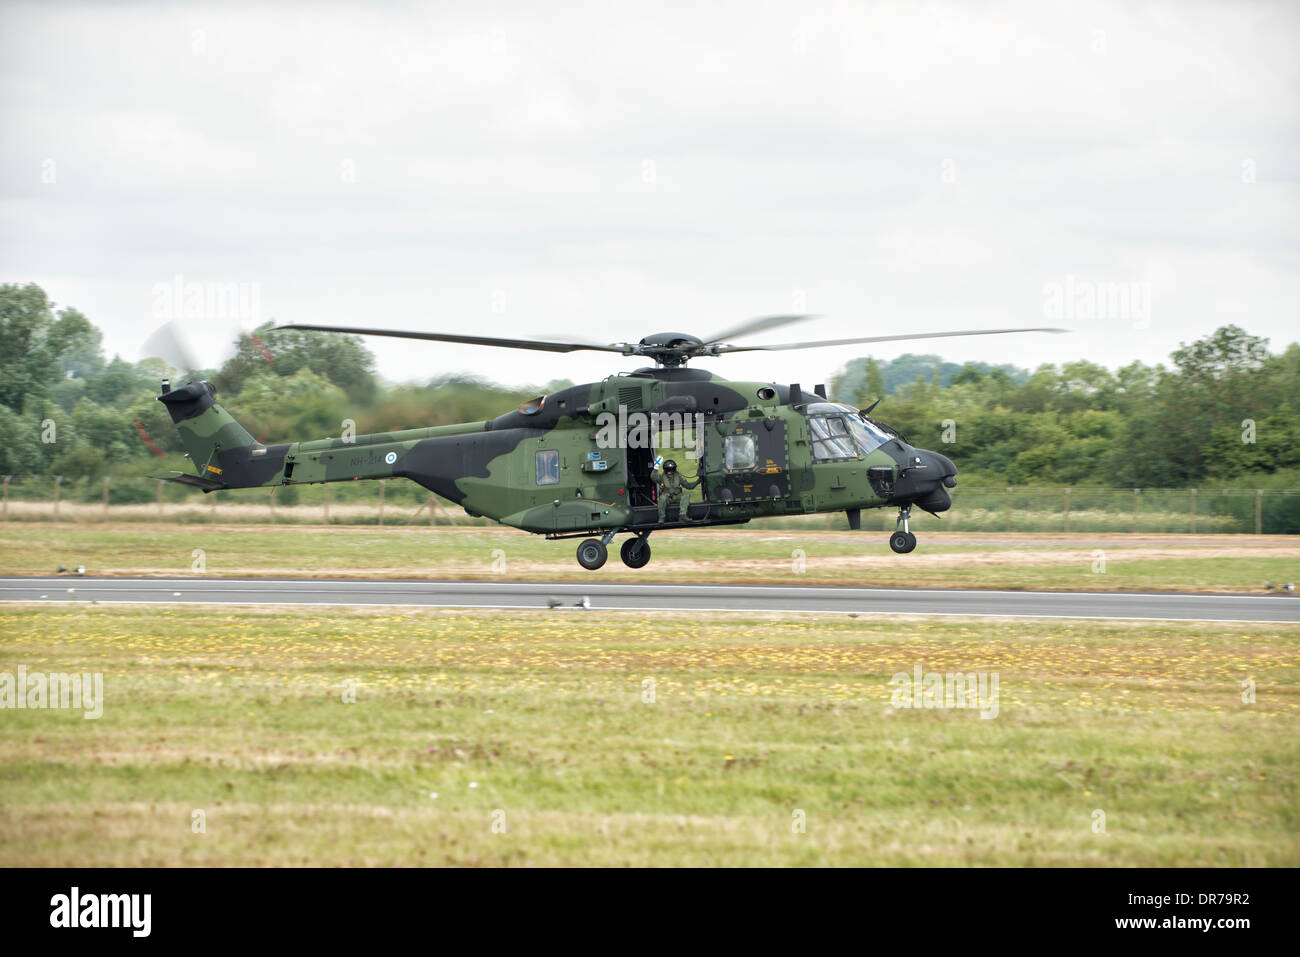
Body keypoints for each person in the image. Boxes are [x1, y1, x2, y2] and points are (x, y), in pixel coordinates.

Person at [654, 459, 700, 523]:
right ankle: (662, 518)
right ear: (665, 470)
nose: (670, 472)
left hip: (677, 496)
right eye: (668, 470)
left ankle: (682, 515)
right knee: (662, 498)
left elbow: (689, 486)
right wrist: (656, 468)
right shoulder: (661, 477)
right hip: (667, 497)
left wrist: (698, 481)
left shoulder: (679, 477)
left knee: (686, 495)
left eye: (672, 470)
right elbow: (653, 477)